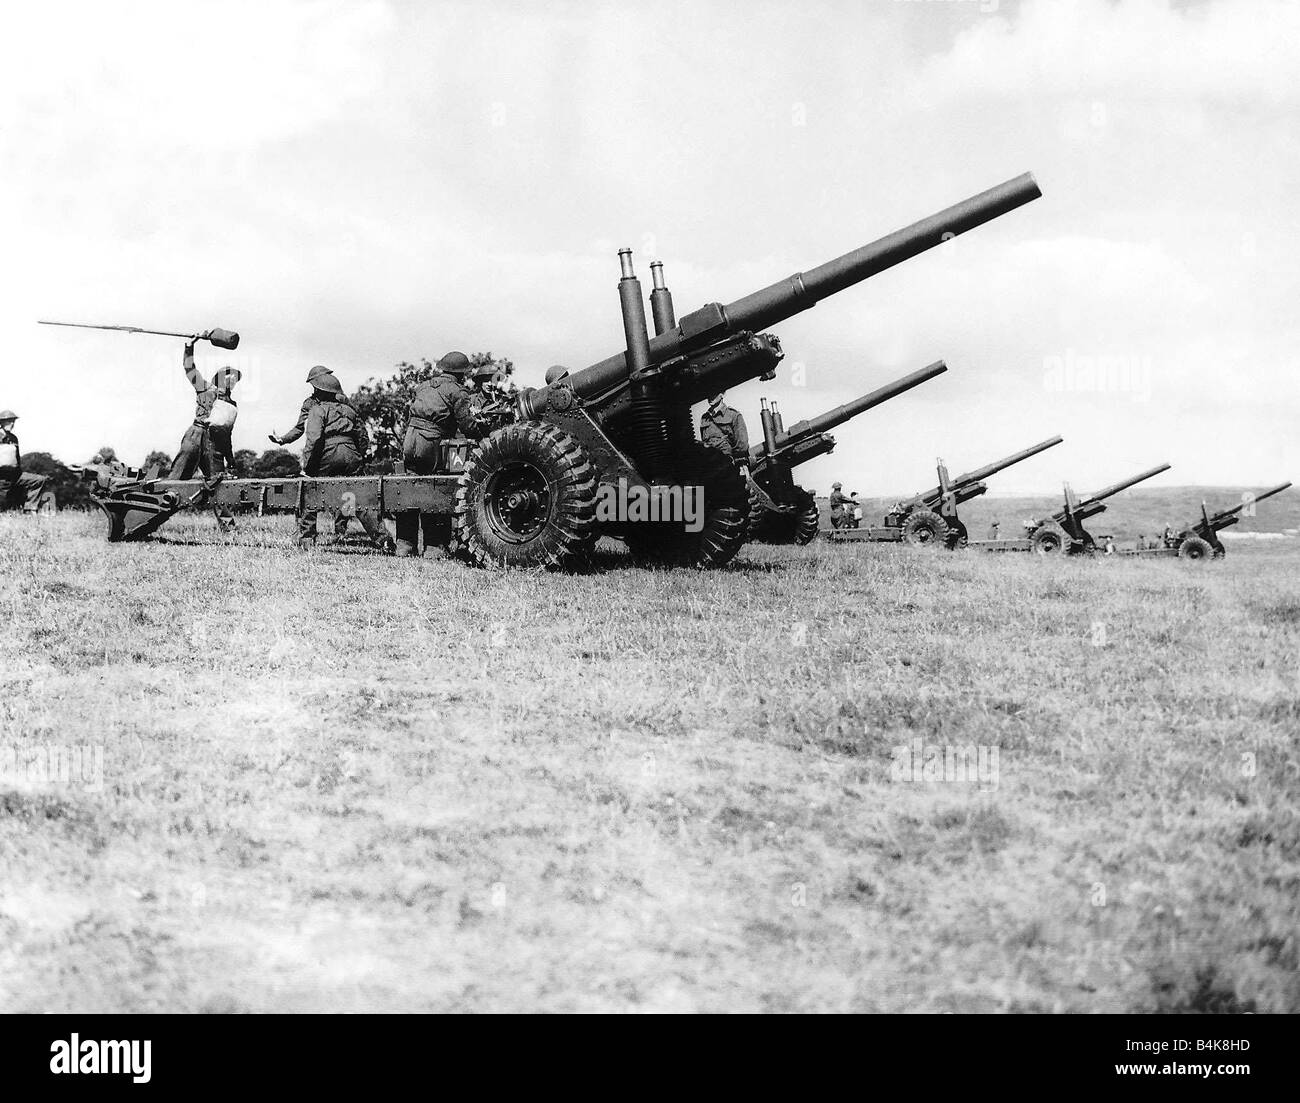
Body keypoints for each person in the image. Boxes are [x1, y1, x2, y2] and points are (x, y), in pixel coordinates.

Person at [398, 351, 485, 556]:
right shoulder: (458, 392)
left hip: (410, 438)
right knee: (436, 488)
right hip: (431, 442)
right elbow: (468, 425)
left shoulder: (424, 386)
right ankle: (434, 548)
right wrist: (486, 435)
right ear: (462, 373)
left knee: (407, 489)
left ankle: (405, 546)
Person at [297, 371, 393, 553]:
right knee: (359, 499)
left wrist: (308, 466)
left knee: (310, 493)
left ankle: (306, 541)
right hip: (351, 455)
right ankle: (383, 539)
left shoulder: (317, 410)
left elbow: (314, 439)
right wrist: (359, 456)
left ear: (319, 391)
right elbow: (363, 437)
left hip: (328, 453)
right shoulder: (349, 410)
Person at [167, 334, 238, 531]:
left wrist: (230, 459)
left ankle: (229, 529)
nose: (233, 381)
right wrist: (189, 347)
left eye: (235, 379)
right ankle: (153, 514)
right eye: (230, 377)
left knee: (219, 485)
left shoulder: (231, 404)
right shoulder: (204, 388)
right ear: (220, 379)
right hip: (195, 435)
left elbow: (227, 434)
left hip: (215, 445)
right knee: (175, 479)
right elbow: (189, 369)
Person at [0, 410, 51, 512]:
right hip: (1, 477)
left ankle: (30, 510)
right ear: (1, 422)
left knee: (38, 480)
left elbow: (17, 458)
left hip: (15, 476)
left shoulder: (14, 438)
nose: (12, 424)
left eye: (13, 421)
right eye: (9, 421)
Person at [699, 393, 749, 470]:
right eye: (708, 392)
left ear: (722, 394)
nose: (710, 397)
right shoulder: (705, 418)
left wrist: (740, 465)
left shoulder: (733, 415)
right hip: (710, 465)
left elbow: (741, 444)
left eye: (714, 393)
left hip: (727, 464)